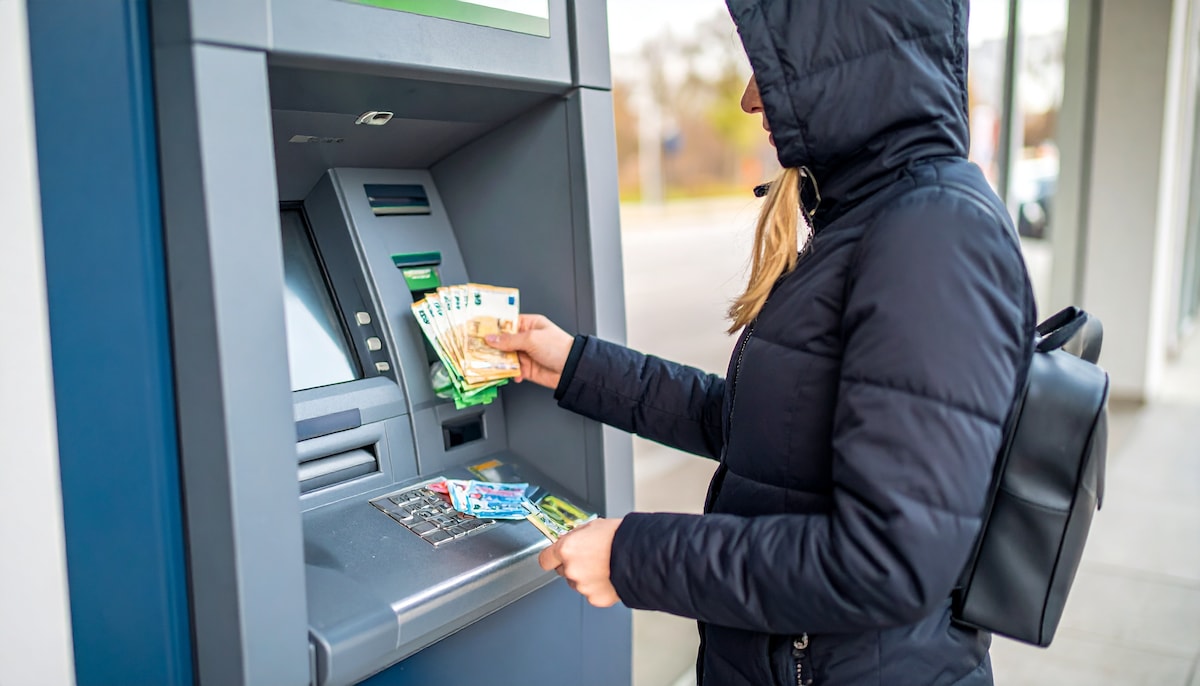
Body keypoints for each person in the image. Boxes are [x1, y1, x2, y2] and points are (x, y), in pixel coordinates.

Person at [486, 1, 1035, 684]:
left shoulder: (933, 235)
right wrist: (575, 366)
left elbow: (890, 560)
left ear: (845, 56)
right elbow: (761, 430)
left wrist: (634, 556)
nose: (752, 98)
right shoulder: (870, 221)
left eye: (772, 65)